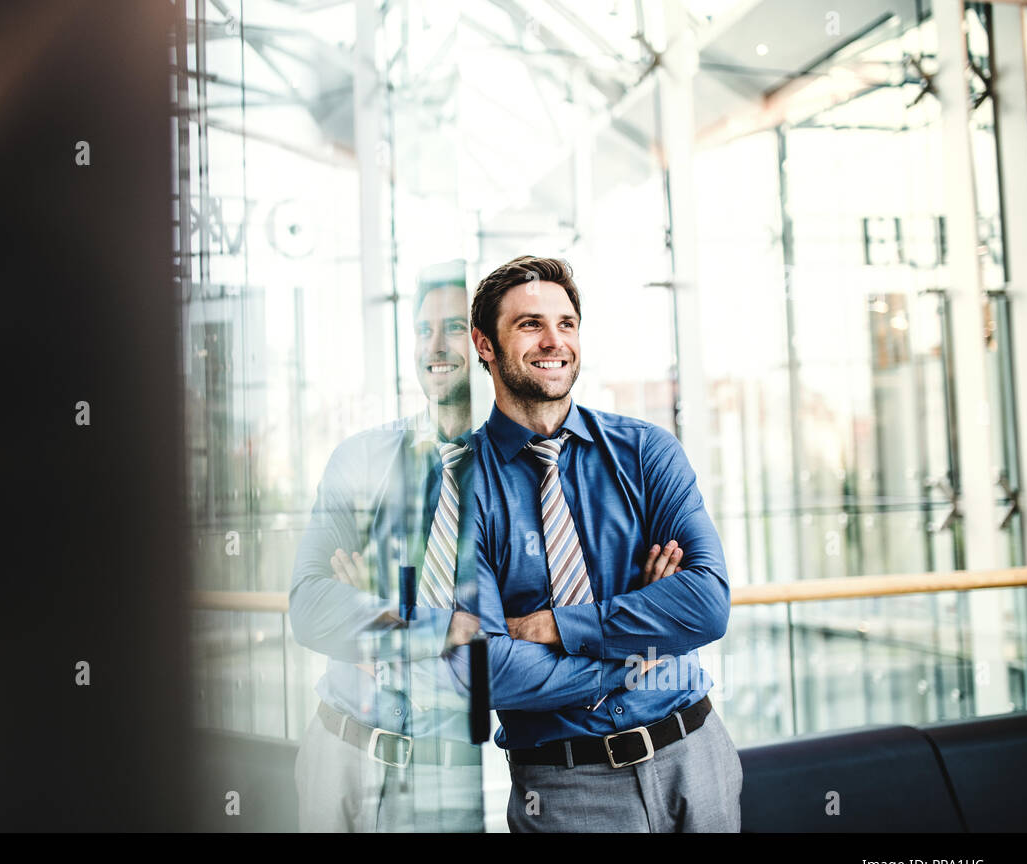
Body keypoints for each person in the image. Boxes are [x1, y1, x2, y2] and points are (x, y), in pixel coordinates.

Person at [455, 254, 743, 833]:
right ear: (484, 344)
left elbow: (707, 603)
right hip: (567, 790)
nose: (553, 341)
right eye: (530, 324)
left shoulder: (646, 452)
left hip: (697, 756)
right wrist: (642, 643)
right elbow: (482, 668)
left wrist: (560, 626)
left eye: (566, 324)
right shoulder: (456, 490)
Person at [287, 264, 485, 832]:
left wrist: (371, 605)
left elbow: (498, 634)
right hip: (338, 759)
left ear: (484, 344)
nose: (436, 347)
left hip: (445, 776)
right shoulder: (361, 458)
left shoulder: (510, 475)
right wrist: (437, 629)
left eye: (453, 327)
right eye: (423, 331)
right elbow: (308, 608)